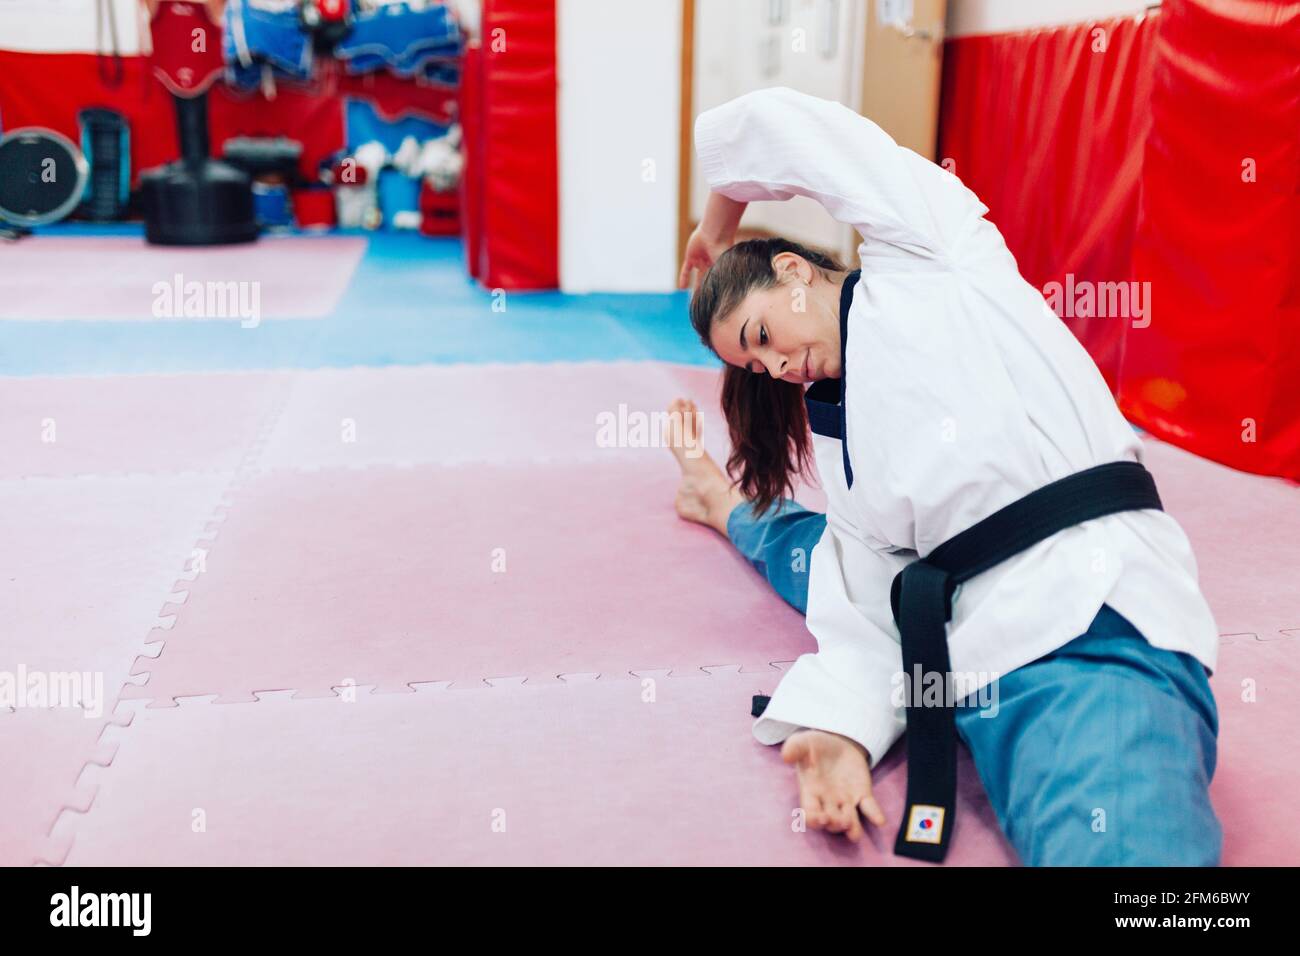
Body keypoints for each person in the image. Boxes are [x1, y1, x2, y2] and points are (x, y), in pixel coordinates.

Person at [673, 87, 1223, 865]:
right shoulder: (841, 443)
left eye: (764, 334)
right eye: (758, 366)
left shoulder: (927, 255)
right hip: (979, 661)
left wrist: (716, 223)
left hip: (1089, 618)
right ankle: (729, 505)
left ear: (795, 269)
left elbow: (790, 130)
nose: (776, 367)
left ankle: (723, 503)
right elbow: (861, 606)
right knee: (823, 560)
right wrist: (839, 731)